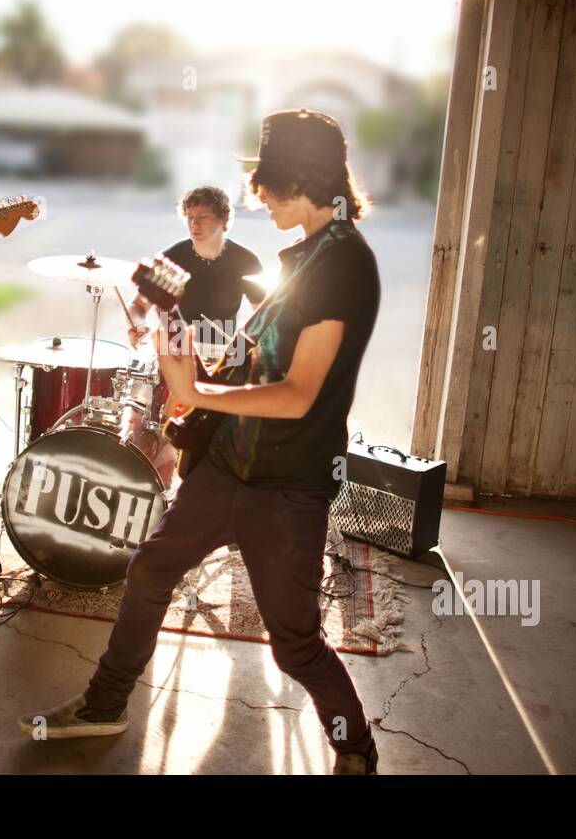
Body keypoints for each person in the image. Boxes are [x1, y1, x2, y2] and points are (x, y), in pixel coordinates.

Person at [19, 109, 382, 774]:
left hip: (287, 483)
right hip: (227, 465)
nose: (261, 196)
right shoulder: (303, 260)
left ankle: (355, 747)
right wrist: (176, 341)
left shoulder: (345, 267)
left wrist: (201, 393)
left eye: (268, 183)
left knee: (294, 645)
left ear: (299, 178)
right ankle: (105, 704)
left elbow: (298, 394)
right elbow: (248, 366)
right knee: (152, 568)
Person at [125, 185, 264, 363]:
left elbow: (262, 317)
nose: (194, 224)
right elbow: (138, 305)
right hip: (175, 352)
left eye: (202, 217)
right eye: (190, 217)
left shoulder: (247, 261)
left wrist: (248, 348)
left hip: (224, 357)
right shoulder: (172, 258)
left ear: (223, 218)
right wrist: (138, 325)